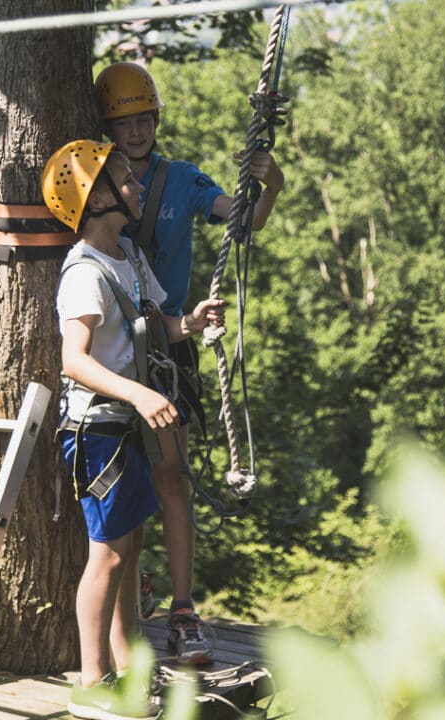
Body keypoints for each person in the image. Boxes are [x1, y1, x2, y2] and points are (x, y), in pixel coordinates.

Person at [93, 62, 285, 665]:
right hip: (112, 347)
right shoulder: (98, 184)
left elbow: (243, 223)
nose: (137, 131)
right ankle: (132, 592)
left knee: (171, 477)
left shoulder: (182, 181)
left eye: (146, 118)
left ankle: (182, 608)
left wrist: (270, 186)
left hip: (167, 345)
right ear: (108, 127)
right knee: (123, 482)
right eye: (125, 122)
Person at [43, 139, 226, 720]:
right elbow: (74, 360)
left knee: (130, 546)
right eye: (125, 178)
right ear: (95, 198)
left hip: (129, 425)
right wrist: (139, 392)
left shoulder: (126, 253)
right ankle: (91, 678)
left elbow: (156, 326)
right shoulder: (84, 272)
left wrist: (190, 323)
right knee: (108, 556)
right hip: (100, 431)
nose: (139, 185)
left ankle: (125, 668)